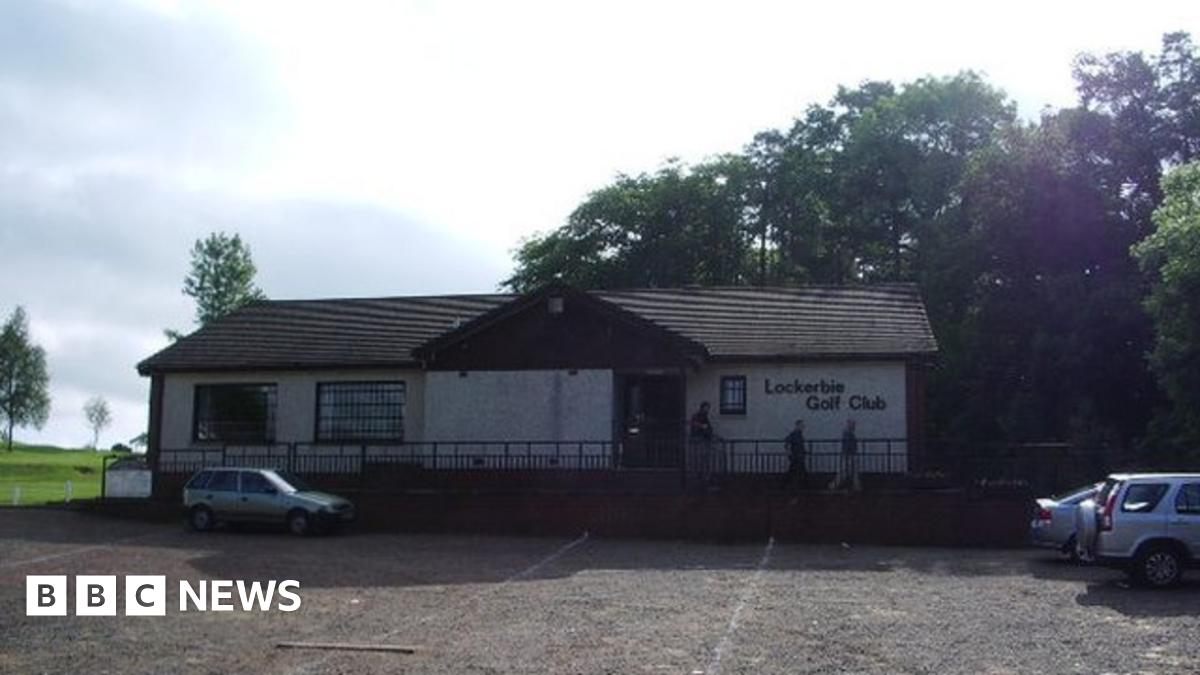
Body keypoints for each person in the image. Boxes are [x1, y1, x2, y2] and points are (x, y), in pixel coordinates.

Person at [688, 402, 719, 482]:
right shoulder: (697, 416)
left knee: (704, 459)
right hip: (699, 440)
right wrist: (702, 427)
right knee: (699, 459)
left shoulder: (705, 417)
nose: (707, 410)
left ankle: (704, 477)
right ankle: (698, 477)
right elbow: (695, 425)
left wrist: (710, 433)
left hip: (704, 440)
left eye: (708, 408)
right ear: (702, 408)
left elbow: (708, 428)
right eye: (706, 408)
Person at [828, 418, 862, 491]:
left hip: (848, 454)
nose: (854, 426)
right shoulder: (848, 434)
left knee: (847, 471)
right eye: (852, 424)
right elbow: (848, 445)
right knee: (847, 471)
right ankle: (855, 486)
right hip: (849, 455)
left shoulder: (847, 433)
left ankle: (855, 486)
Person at [782, 419, 807, 489]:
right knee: (796, 471)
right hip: (796, 456)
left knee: (794, 471)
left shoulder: (798, 434)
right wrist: (789, 453)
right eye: (801, 425)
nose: (803, 427)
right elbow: (787, 442)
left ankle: (790, 485)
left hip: (798, 456)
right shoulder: (795, 434)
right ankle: (792, 486)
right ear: (797, 426)